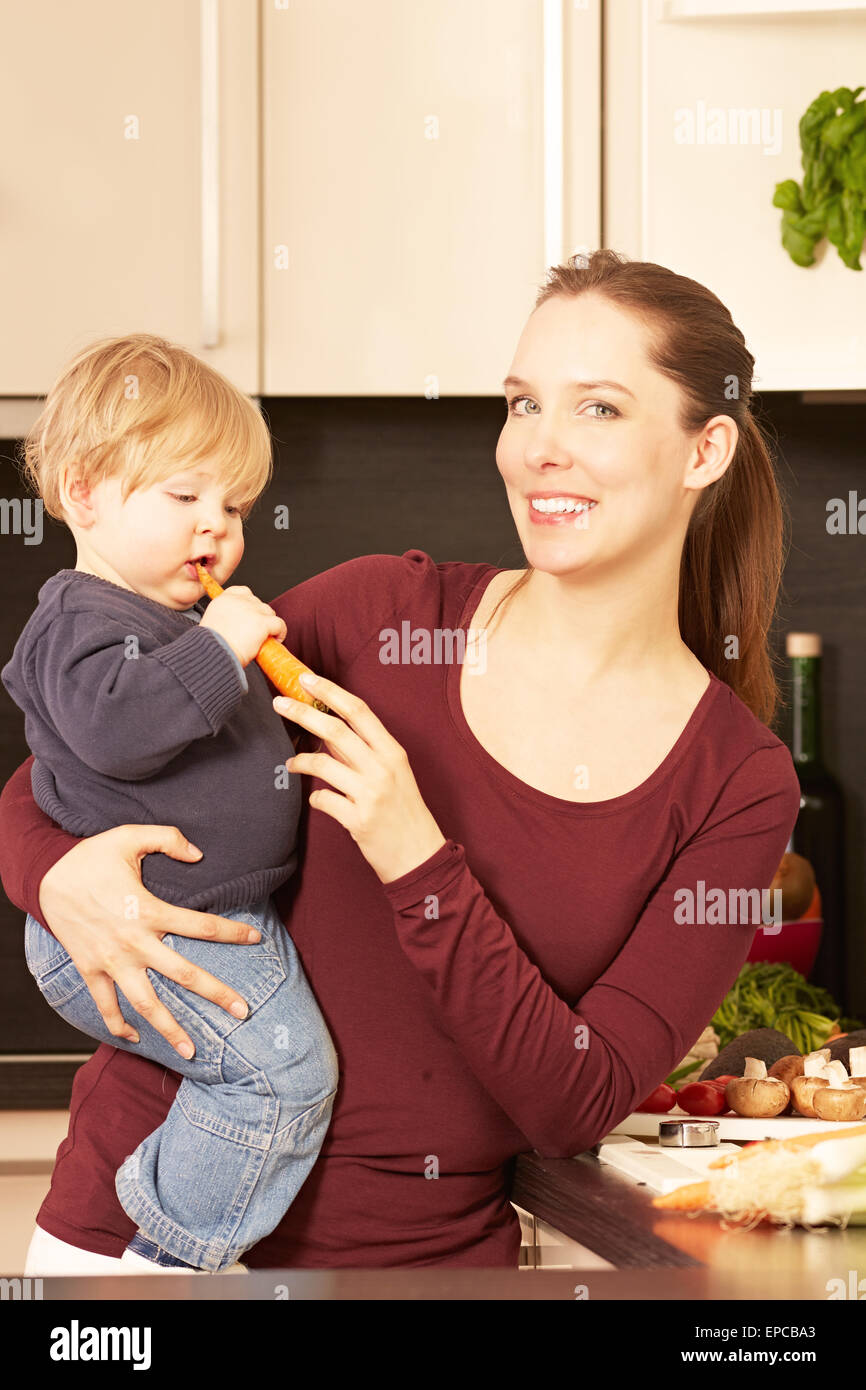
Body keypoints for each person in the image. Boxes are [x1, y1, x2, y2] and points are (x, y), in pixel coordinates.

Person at [0, 251, 801, 1273]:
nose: (539, 449)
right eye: (521, 405)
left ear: (704, 449)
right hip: (130, 1241)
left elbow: (577, 1101)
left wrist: (415, 857)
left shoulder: (734, 783)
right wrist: (54, 874)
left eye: (595, 409)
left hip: (409, 1273)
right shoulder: (380, 619)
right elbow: (87, 749)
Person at [0, 334, 338, 1272]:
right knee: (281, 1082)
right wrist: (222, 648)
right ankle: (166, 1263)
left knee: (275, 1074)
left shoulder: (173, 624)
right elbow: (119, 732)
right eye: (183, 497)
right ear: (85, 494)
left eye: (231, 507)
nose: (216, 529)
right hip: (136, 927)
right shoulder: (77, 622)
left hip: (207, 919)